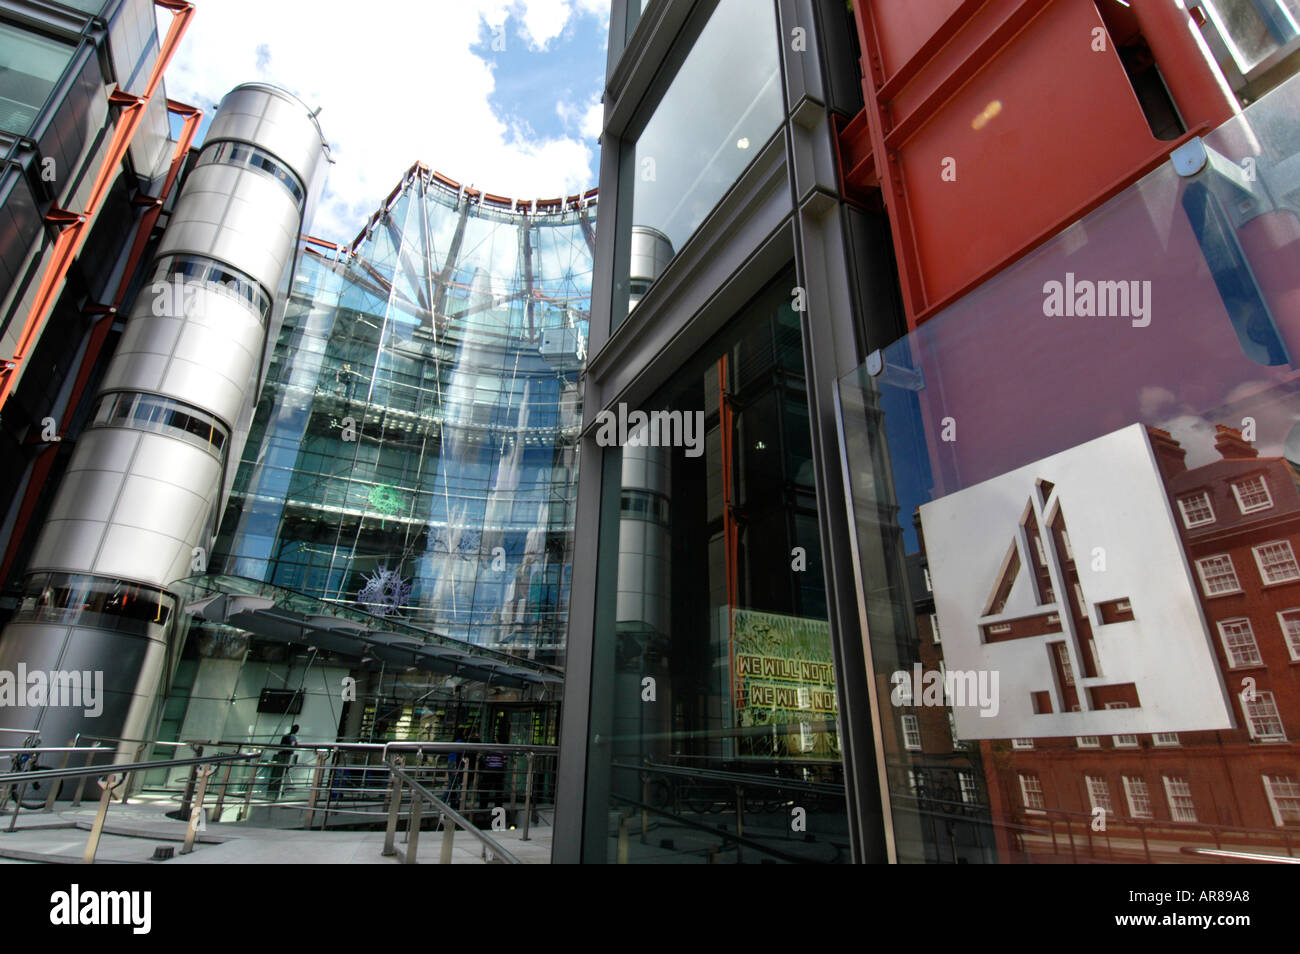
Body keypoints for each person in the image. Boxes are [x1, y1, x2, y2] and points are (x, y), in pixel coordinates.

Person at [267, 724, 299, 799]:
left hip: (281, 756)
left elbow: (281, 746)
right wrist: (296, 745)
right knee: (284, 773)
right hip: (286, 757)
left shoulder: (286, 736)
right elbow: (292, 745)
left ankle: (277, 791)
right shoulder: (292, 737)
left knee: (280, 773)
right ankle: (281, 791)